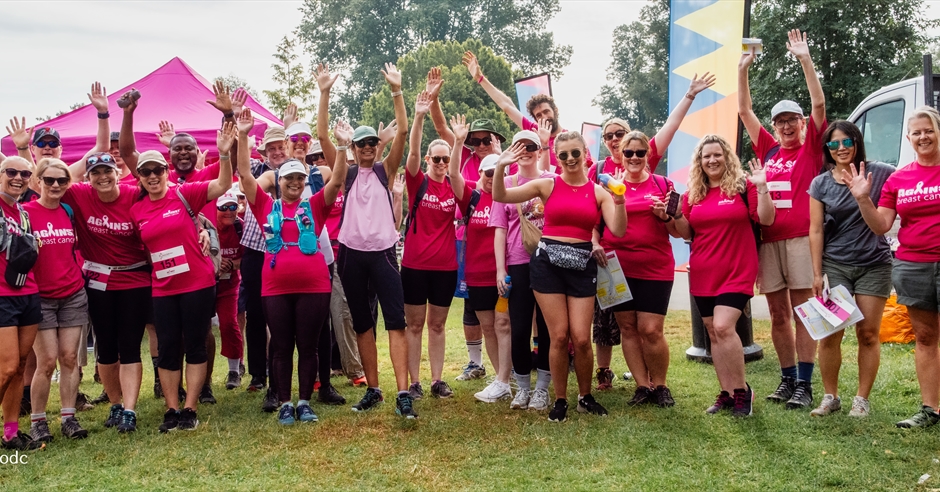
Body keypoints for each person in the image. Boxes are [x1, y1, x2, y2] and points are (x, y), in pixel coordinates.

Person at [587, 73, 716, 404]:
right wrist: (596, 242)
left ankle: (661, 385)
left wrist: (668, 216)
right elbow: (593, 220)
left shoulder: (661, 185)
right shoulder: (605, 183)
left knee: (651, 330)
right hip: (615, 266)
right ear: (620, 154)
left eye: (639, 152)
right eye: (627, 152)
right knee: (628, 329)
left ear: (647, 153)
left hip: (655, 265)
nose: (632, 157)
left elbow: (681, 231)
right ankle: (643, 386)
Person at [493, 131, 626, 422]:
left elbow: (617, 230)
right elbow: (500, 195)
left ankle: (585, 397)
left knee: (580, 339)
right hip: (548, 264)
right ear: (556, 157)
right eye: (563, 155)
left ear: (583, 153)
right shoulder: (548, 184)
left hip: (582, 264)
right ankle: (561, 400)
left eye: (574, 153)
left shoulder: (597, 191)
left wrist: (620, 200)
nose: (569, 160)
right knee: (558, 336)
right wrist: (503, 165)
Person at [317, 62, 414, 418]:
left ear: (377, 145)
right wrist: (325, 92)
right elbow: (324, 137)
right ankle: (374, 389)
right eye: (362, 145)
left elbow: (402, 131)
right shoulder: (347, 172)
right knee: (362, 323)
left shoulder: (387, 170)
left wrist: (396, 91)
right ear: (355, 148)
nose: (368, 148)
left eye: (372, 143)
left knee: (396, 322)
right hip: (351, 256)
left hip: (384, 254)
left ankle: (403, 392)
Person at [236, 109, 344, 425]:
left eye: (299, 178)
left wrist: (343, 147)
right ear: (279, 181)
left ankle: (304, 402)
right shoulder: (266, 207)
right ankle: (285, 402)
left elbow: (337, 180)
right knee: (282, 347)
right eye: (289, 178)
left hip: (314, 286)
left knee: (308, 347)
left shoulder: (315, 206)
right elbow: (244, 176)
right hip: (275, 288)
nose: (295, 182)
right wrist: (243, 136)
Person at [739, 29, 827, 410]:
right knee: (777, 313)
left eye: (793, 120)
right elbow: (744, 111)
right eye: (781, 122)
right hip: (769, 241)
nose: (787, 127)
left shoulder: (811, 148)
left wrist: (805, 59)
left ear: (802, 123)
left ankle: (806, 382)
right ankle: (788, 377)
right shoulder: (770, 150)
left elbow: (820, 105)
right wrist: (743, 70)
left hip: (801, 241)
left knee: (803, 310)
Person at [128, 121, 234, 432]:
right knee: (169, 346)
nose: (152, 177)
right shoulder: (137, 211)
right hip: (163, 287)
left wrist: (224, 155)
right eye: (145, 173)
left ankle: (190, 407)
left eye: (157, 171)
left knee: (197, 343)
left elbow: (223, 185)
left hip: (197, 283)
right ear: (140, 178)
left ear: (165, 171)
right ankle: (171, 408)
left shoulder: (185, 193)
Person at [844, 106, 940, 428]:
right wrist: (862, 199)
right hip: (914, 265)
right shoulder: (899, 178)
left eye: (929, 130)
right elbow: (881, 225)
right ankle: (930, 409)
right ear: (909, 138)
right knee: (925, 337)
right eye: (917, 132)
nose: (923, 136)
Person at [673, 135, 774, 417]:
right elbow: (688, 233)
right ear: (699, 162)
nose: (712, 160)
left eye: (717, 154)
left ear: (726, 156)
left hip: (737, 269)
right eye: (706, 156)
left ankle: (742, 391)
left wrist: (763, 188)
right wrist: (675, 216)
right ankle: (726, 393)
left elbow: (766, 219)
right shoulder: (694, 194)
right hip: (704, 270)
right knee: (713, 334)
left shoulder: (744, 187)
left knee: (723, 327)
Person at [425, 67, 507, 380]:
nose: (481, 145)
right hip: (467, 240)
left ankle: (512, 368)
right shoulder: (463, 160)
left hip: (500, 245)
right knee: (473, 307)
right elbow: (444, 130)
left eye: (486, 140)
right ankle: (475, 362)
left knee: (506, 315)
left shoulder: (499, 165)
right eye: (476, 140)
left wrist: (501, 162)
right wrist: (433, 99)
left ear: (496, 140)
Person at [807, 121, 894, 418]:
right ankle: (830, 396)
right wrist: (817, 274)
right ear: (827, 149)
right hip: (836, 265)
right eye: (833, 144)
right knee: (830, 333)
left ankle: (861, 399)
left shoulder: (880, 172)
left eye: (847, 142)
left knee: (868, 333)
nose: (841, 148)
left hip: (874, 264)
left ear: (857, 142)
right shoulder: (821, 183)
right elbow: (815, 230)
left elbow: (902, 194)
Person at [401, 92, 468, 400]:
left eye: (445, 158)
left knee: (437, 326)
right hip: (414, 265)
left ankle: (437, 380)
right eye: (436, 159)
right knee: (414, 325)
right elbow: (412, 152)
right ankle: (414, 381)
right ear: (429, 160)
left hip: (444, 266)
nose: (442, 163)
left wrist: (457, 142)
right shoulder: (418, 181)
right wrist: (418, 116)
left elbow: (457, 171)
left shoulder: (455, 186)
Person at [23, 159, 89, 442]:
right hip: (40, 296)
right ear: (37, 182)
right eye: (49, 180)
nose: (55, 185)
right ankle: (38, 421)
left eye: (61, 181)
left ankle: (68, 417)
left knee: (70, 358)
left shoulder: (68, 211)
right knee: (47, 361)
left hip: (73, 293)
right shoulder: (25, 213)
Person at [489, 129, 554, 411]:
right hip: (518, 261)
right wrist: (500, 269)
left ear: (540, 151)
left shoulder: (552, 180)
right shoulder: (505, 183)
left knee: (550, 329)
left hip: (550, 261)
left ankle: (542, 389)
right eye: (520, 146)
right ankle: (523, 387)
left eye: (531, 146)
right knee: (519, 328)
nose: (525, 150)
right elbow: (500, 230)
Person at [447, 115, 511, 402]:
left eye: (494, 172)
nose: (489, 178)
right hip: (478, 274)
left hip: (508, 274)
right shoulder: (472, 197)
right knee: (489, 327)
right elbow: (453, 176)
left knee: (506, 325)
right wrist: (459, 141)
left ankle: (515, 378)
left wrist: (501, 157)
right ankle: (501, 381)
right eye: (486, 173)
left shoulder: (511, 194)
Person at [462, 51, 591, 172]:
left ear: (555, 110)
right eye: (539, 115)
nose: (544, 117)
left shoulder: (572, 139)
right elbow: (507, 106)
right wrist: (480, 78)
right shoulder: (533, 132)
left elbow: (588, 172)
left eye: (547, 111)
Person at [0, 156, 43, 450]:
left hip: (27, 293)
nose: (18, 177)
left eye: (25, 173)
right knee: (7, 367)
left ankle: (11, 432)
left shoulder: (23, 212)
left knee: (21, 367)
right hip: (2, 296)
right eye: (11, 172)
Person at [211, 191, 245, 391]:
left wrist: (232, 264)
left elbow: (247, 259)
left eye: (233, 207)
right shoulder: (206, 227)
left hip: (229, 285)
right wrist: (214, 263)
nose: (229, 212)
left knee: (228, 324)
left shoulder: (240, 227)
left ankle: (235, 369)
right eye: (223, 207)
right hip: (205, 284)